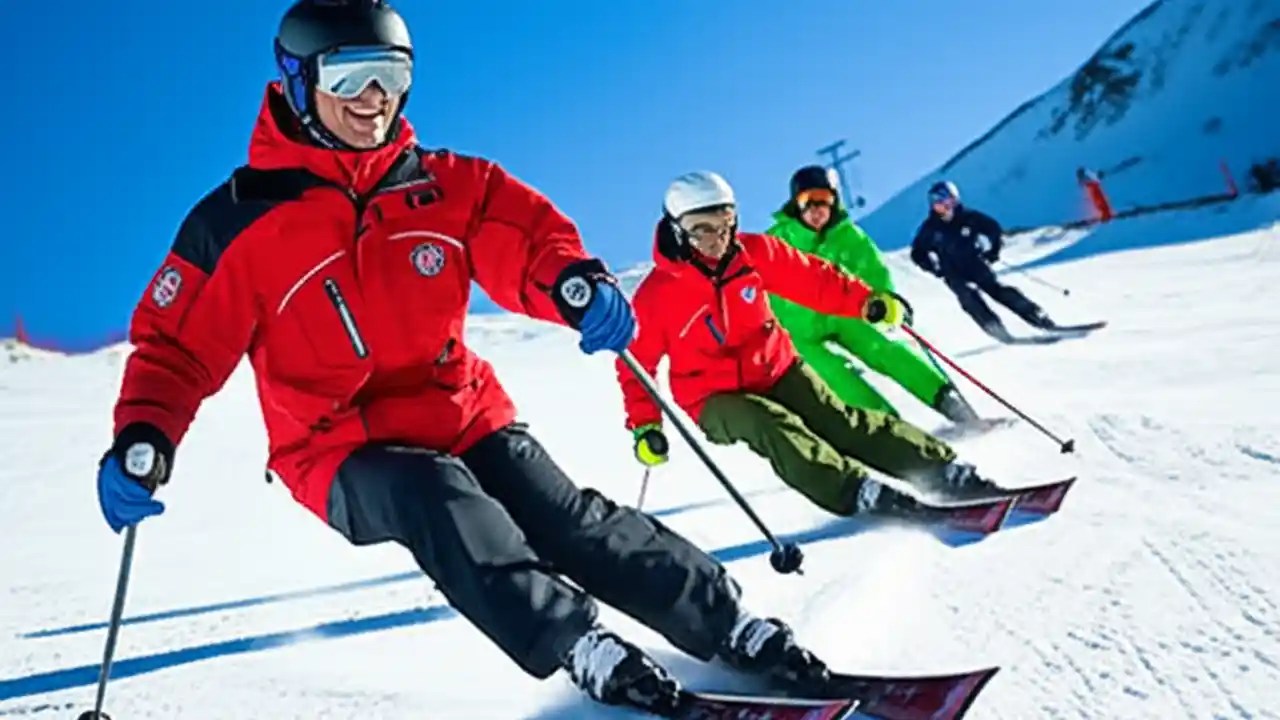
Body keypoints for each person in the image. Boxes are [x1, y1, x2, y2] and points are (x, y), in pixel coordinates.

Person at [93, 1, 835, 714]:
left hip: (460, 410)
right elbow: (176, 349)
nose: (374, 97)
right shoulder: (236, 223)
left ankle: (724, 622)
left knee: (567, 517)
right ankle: (578, 644)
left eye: (390, 72)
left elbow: (528, 240)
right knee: (439, 496)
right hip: (335, 449)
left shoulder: (447, 186)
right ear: (297, 82)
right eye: (348, 76)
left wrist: (573, 284)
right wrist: (144, 436)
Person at [616, 171, 1000, 523]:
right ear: (676, 230)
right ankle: (854, 491)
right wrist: (646, 424)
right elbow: (635, 365)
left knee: (841, 422)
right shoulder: (656, 297)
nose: (717, 240)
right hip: (713, 397)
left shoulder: (756, 253)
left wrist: (866, 302)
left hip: (776, 369)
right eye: (701, 230)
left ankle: (939, 469)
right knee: (771, 425)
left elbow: (814, 280)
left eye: (725, 224)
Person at [765, 165, 978, 424]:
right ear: (795, 204)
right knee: (834, 375)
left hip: (842, 311)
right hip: (797, 326)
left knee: (882, 347)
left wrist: (888, 300)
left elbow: (872, 270)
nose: (816, 209)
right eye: (808, 201)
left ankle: (948, 402)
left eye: (825, 199)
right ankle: (891, 428)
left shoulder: (847, 236)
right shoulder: (776, 241)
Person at [910, 181, 1060, 342]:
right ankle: (995, 329)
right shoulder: (930, 229)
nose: (943, 207)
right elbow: (918, 253)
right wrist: (934, 268)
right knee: (968, 296)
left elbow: (994, 229)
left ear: (954, 200)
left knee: (1000, 291)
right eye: (937, 204)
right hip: (953, 273)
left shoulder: (969, 217)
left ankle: (1039, 318)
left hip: (976, 264)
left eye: (946, 202)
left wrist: (993, 251)